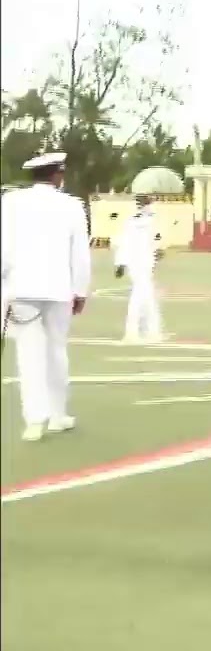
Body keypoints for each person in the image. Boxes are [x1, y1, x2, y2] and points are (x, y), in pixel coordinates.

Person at [0, 152, 91, 442]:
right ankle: (57, 414)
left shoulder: (11, 202)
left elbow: (3, 248)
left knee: (28, 355)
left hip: (22, 288)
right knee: (56, 351)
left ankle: (34, 421)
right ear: (57, 175)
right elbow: (80, 253)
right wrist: (80, 290)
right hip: (58, 288)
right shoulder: (72, 205)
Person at [112, 193, 165, 343]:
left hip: (142, 261)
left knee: (145, 295)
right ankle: (138, 331)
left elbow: (155, 240)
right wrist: (120, 263)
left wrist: (120, 263)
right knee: (142, 295)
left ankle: (148, 330)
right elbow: (124, 242)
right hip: (138, 262)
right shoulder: (136, 220)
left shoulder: (143, 220)